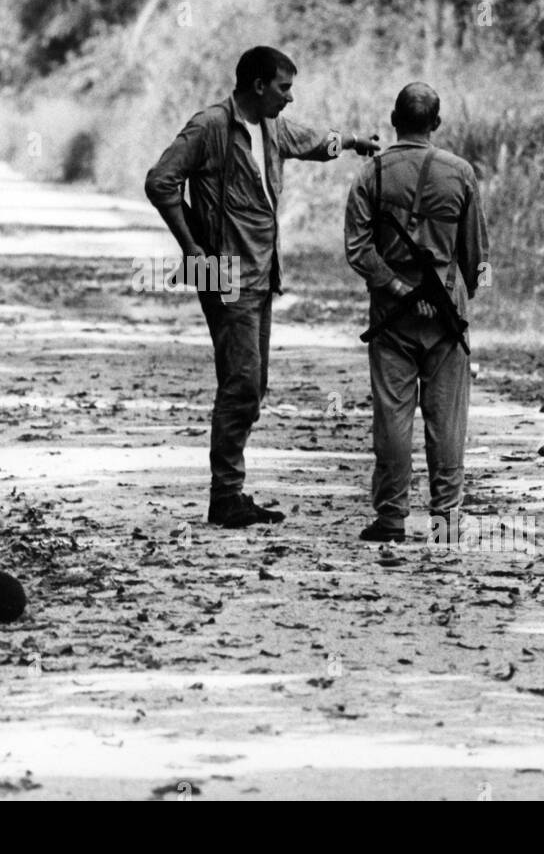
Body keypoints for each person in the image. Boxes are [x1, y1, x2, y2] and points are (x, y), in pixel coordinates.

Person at [145, 46, 380, 528]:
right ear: (258, 85)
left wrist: (355, 141)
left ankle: (230, 492)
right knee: (242, 382)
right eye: (283, 88)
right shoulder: (210, 126)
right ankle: (225, 495)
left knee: (253, 385)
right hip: (225, 275)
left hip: (260, 273)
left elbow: (313, 141)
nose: (289, 99)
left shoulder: (271, 127)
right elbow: (160, 182)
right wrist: (193, 247)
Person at [344, 83, 488, 543]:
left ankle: (391, 519)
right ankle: (445, 520)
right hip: (448, 313)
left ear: (392, 119)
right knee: (447, 420)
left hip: (391, 314)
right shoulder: (461, 173)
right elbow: (476, 259)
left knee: (392, 417)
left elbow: (357, 250)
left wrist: (396, 286)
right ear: (437, 124)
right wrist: (455, 296)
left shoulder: (372, 174)